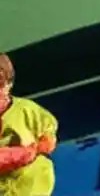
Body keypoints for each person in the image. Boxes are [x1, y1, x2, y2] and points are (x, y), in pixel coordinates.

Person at [0, 53, 58, 196]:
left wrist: (45, 142)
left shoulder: (26, 109)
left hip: (30, 184)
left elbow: (48, 132)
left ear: (9, 84)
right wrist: (23, 154)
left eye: (0, 84)